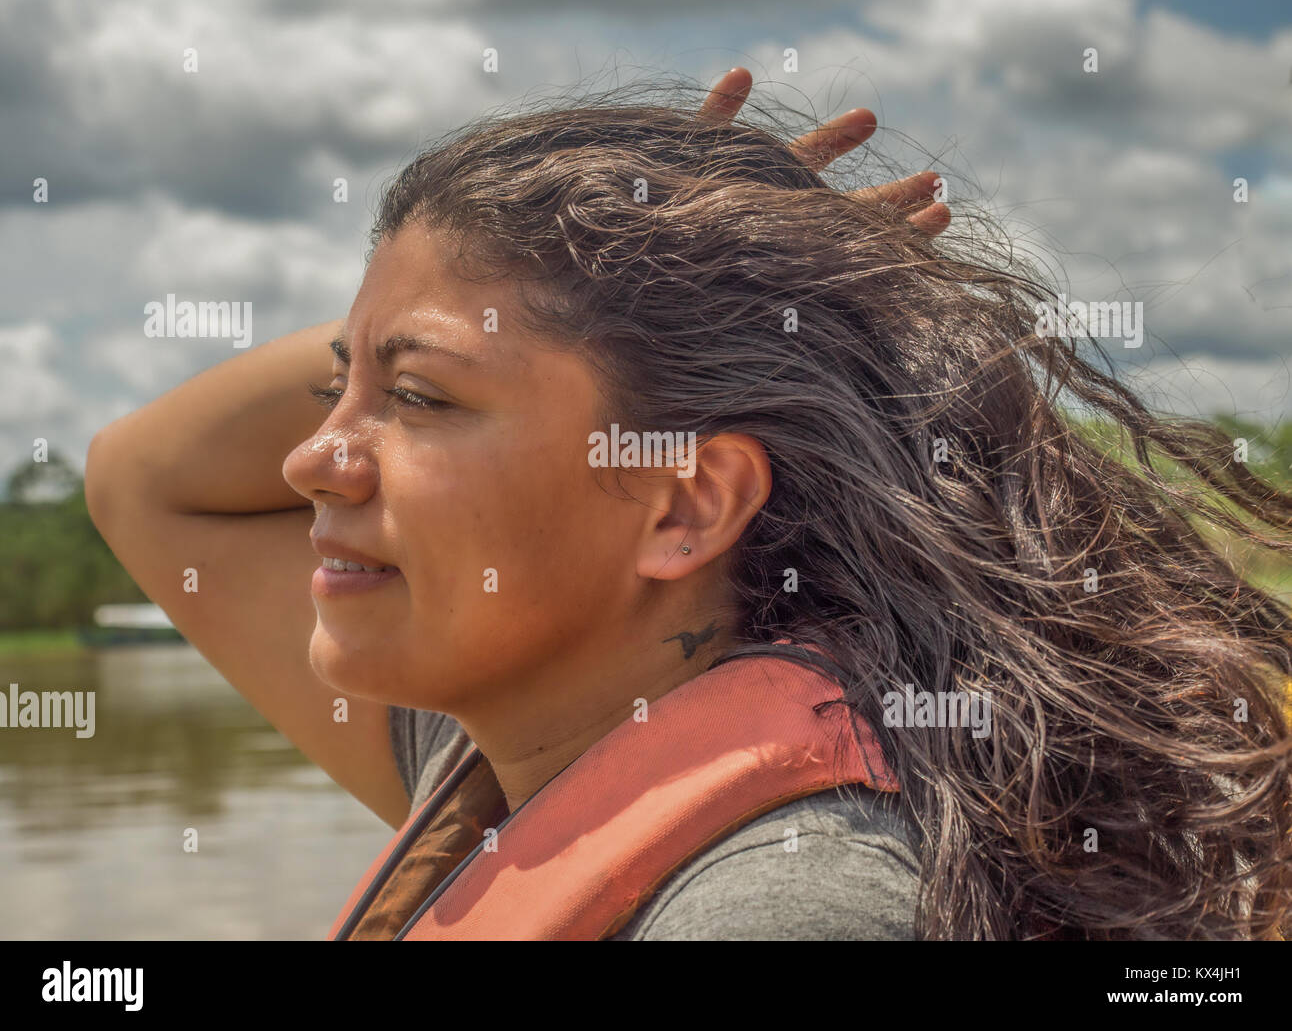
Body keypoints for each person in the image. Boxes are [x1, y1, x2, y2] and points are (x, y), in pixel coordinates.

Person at [85, 70, 1292, 940]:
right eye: (338, 387)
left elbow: (154, 483)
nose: (312, 459)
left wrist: (601, 299)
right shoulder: (512, 765)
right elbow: (142, 478)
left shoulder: (781, 907)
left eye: (417, 401)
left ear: (684, 506)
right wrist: (594, 284)